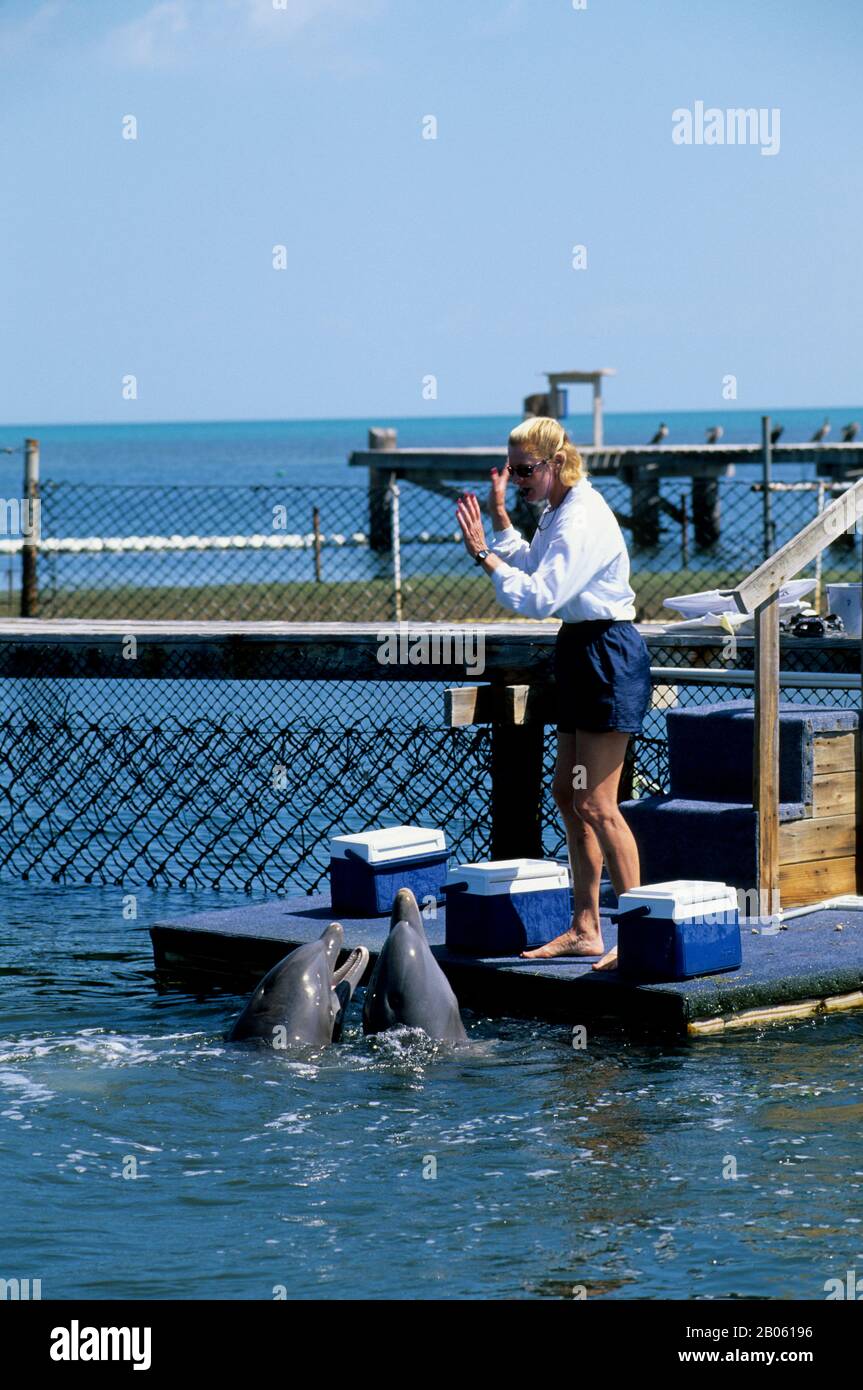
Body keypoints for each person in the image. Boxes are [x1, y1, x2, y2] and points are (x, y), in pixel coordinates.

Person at [455, 417, 651, 970]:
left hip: (607, 653)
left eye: (524, 469)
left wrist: (482, 557)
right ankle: (586, 929)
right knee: (569, 793)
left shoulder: (582, 517)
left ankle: (639, 933)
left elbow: (540, 596)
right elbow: (533, 565)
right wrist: (497, 525)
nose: (516, 479)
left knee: (598, 803)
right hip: (579, 649)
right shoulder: (556, 511)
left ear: (557, 462)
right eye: (511, 469)